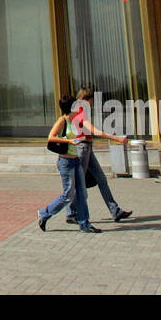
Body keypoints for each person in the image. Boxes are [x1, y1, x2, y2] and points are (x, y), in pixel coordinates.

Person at [64, 87, 133, 225]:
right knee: (79, 182)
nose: (92, 104)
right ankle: (71, 213)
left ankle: (115, 211)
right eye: (91, 101)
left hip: (87, 148)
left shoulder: (77, 110)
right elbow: (96, 131)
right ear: (87, 99)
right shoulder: (79, 111)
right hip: (82, 148)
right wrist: (117, 139)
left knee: (101, 179)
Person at [37, 95, 101, 233]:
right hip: (65, 162)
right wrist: (70, 141)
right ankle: (44, 213)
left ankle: (85, 223)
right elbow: (51, 137)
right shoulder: (62, 121)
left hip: (76, 160)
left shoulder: (74, 120)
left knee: (82, 193)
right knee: (68, 195)